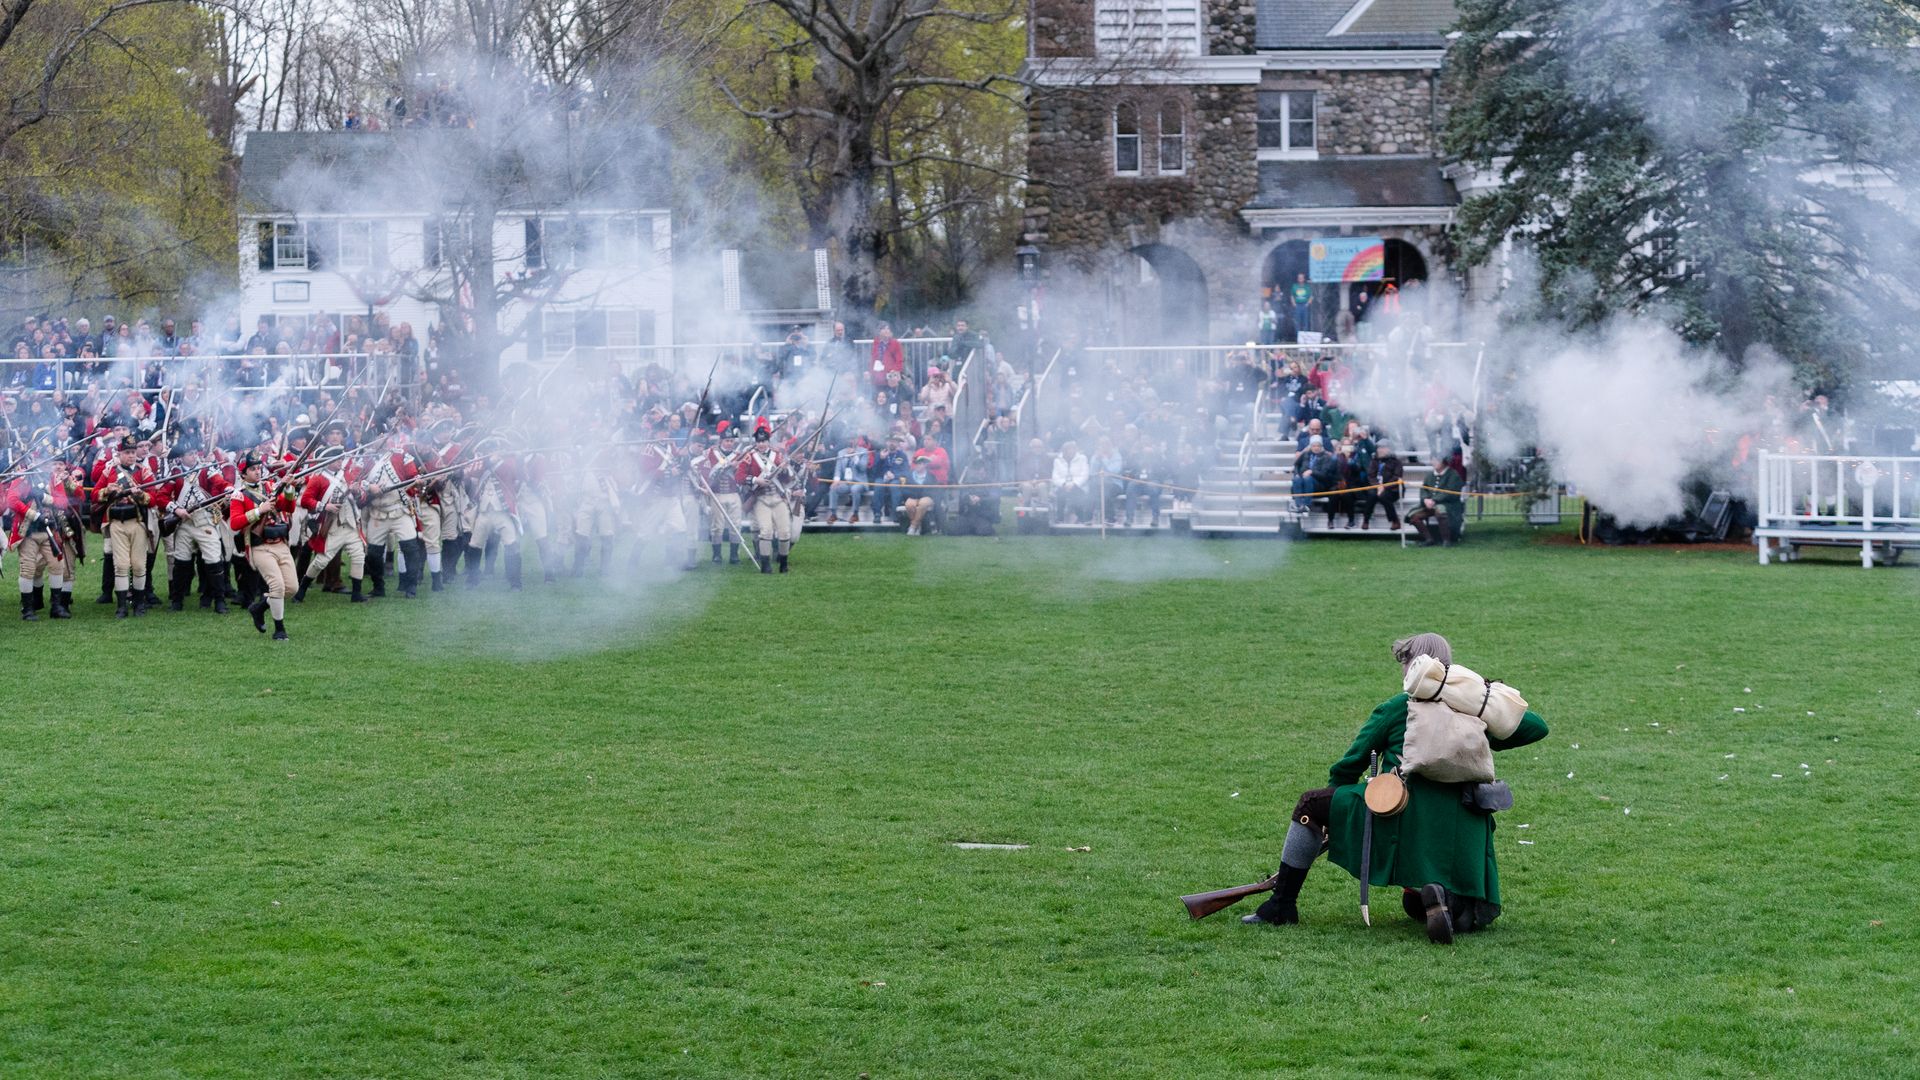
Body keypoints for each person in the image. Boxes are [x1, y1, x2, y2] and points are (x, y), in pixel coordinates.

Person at [1243, 633, 1549, 943]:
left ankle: (1281, 905)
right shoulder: (1475, 712)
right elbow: (1537, 727)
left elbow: (1348, 766)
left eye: (1405, 662)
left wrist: (1333, 816)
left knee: (1311, 804)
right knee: (1415, 905)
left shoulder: (1398, 707)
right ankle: (1447, 899)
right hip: (1463, 828)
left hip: (1398, 814)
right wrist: (1481, 697)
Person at [227, 453, 297, 640]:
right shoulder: (238, 495)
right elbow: (234, 523)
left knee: (292, 588)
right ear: (242, 474)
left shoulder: (270, 487)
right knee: (277, 586)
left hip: (280, 542)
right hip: (259, 546)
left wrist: (289, 487)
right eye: (252, 469)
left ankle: (259, 608)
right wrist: (260, 510)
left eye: (258, 468)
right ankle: (279, 630)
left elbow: (288, 507)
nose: (257, 472)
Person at [735, 423, 793, 573]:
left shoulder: (777, 455)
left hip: (778, 497)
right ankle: (766, 565)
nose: (761, 444)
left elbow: (787, 480)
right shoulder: (749, 456)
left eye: (764, 441)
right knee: (766, 531)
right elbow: (739, 476)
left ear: (768, 441)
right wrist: (756, 480)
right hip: (761, 499)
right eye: (759, 441)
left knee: (785, 532)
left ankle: (783, 563)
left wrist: (785, 469)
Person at [1408, 454, 1466, 547]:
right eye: (1432, 460)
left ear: (1444, 462)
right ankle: (1428, 539)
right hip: (1430, 504)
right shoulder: (1430, 475)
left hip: (1449, 505)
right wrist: (1425, 499)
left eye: (1436, 460)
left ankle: (1446, 540)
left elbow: (1450, 492)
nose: (1433, 462)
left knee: (1440, 511)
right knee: (1414, 516)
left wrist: (1434, 500)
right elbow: (1424, 489)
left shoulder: (1453, 475)